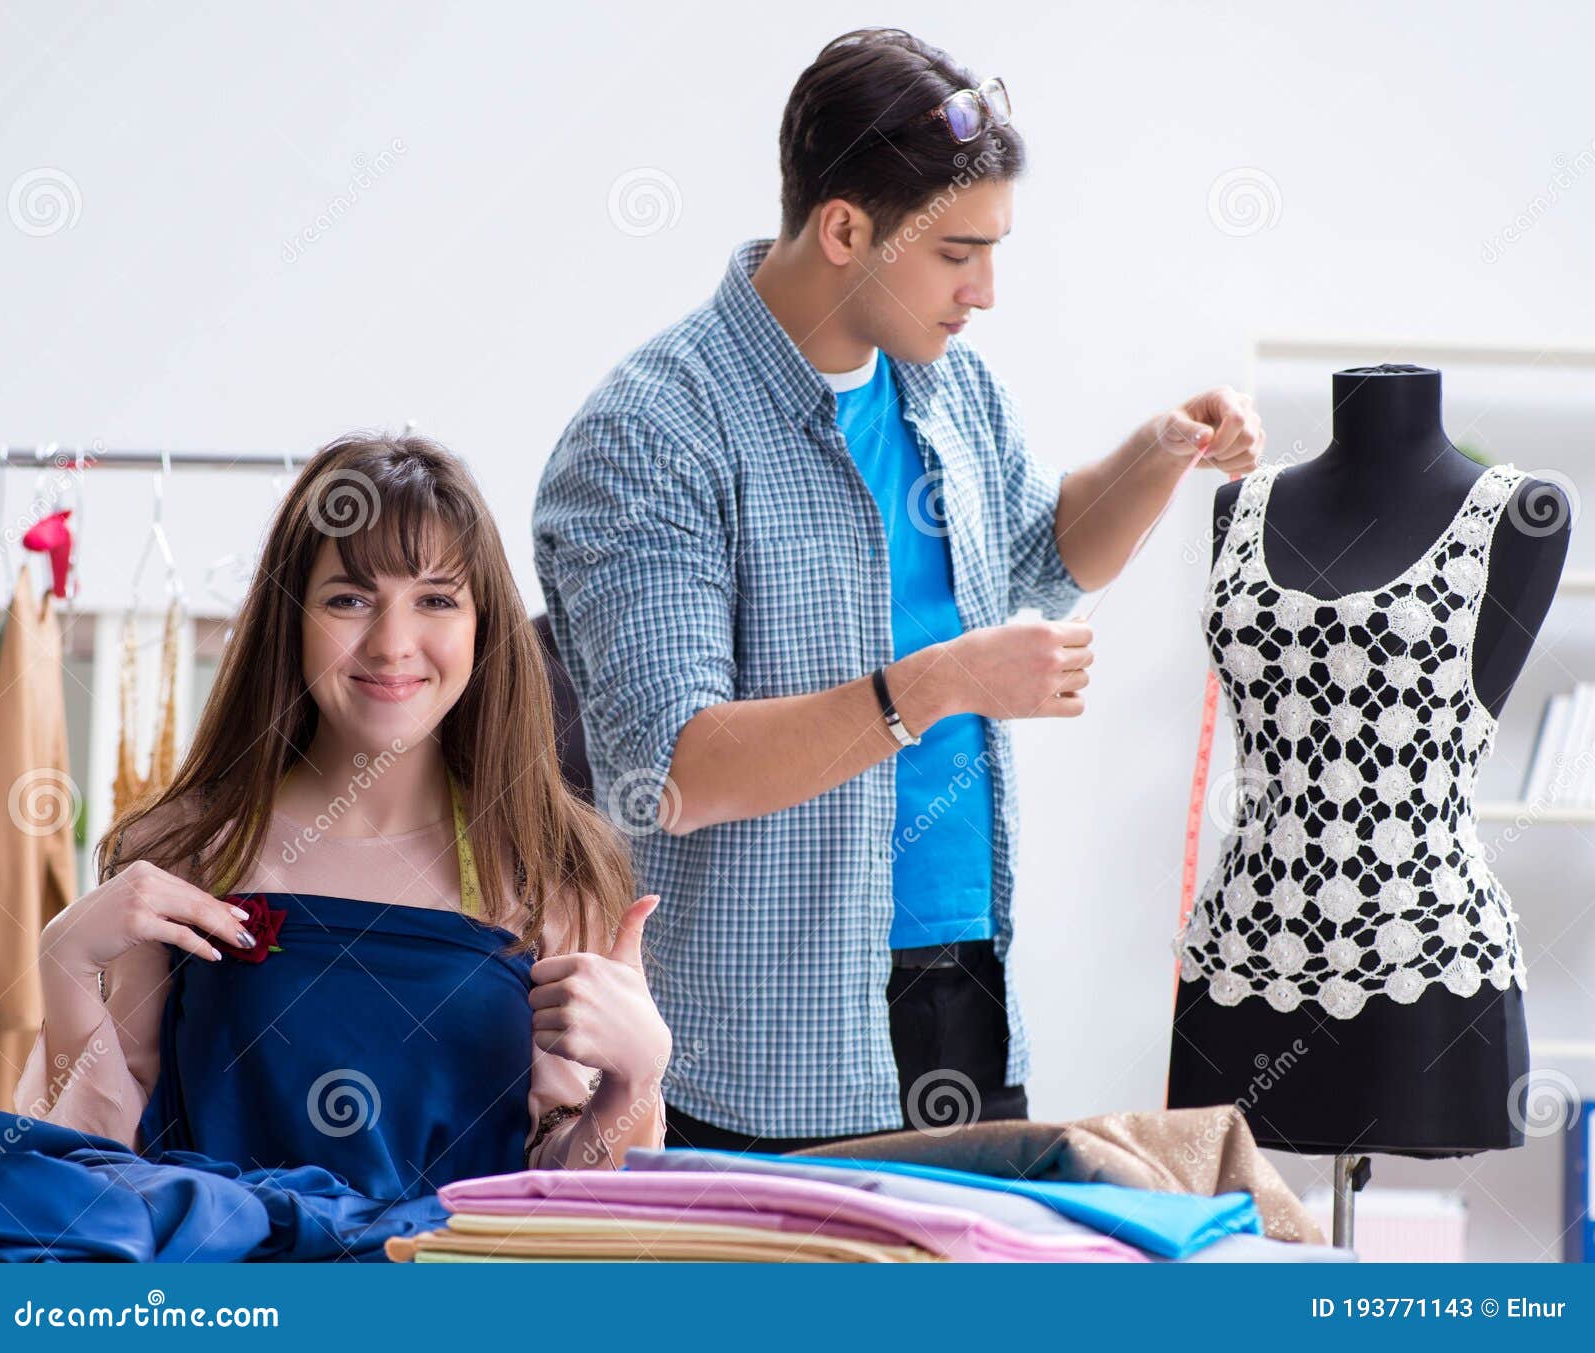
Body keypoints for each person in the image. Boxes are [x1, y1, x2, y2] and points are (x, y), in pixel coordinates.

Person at [533, 28, 1262, 1151]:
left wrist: (1156, 454)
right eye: (957, 253)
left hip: (962, 978)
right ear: (843, 229)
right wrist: (940, 684)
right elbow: (670, 773)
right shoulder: (649, 433)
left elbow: (1038, 556)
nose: (986, 291)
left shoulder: (949, 387)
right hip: (764, 1037)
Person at [0, 433, 671, 1262]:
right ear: (293, 617)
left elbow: (567, 1223)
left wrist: (632, 1083)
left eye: (435, 600)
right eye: (351, 599)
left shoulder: (549, 872)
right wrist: (65, 971)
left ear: (482, 624)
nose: (392, 644)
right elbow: (97, 1188)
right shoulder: (180, 855)